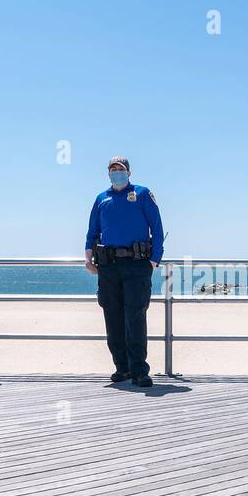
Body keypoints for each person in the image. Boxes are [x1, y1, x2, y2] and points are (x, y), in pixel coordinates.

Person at [84, 156, 164, 387]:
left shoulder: (142, 193)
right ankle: (122, 367)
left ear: (128, 172)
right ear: (108, 173)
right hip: (108, 267)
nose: (116, 172)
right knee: (113, 317)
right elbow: (92, 232)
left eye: (120, 169)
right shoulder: (102, 198)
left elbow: (157, 228)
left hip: (137, 265)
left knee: (135, 317)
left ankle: (139, 370)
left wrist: (154, 261)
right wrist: (88, 259)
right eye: (112, 169)